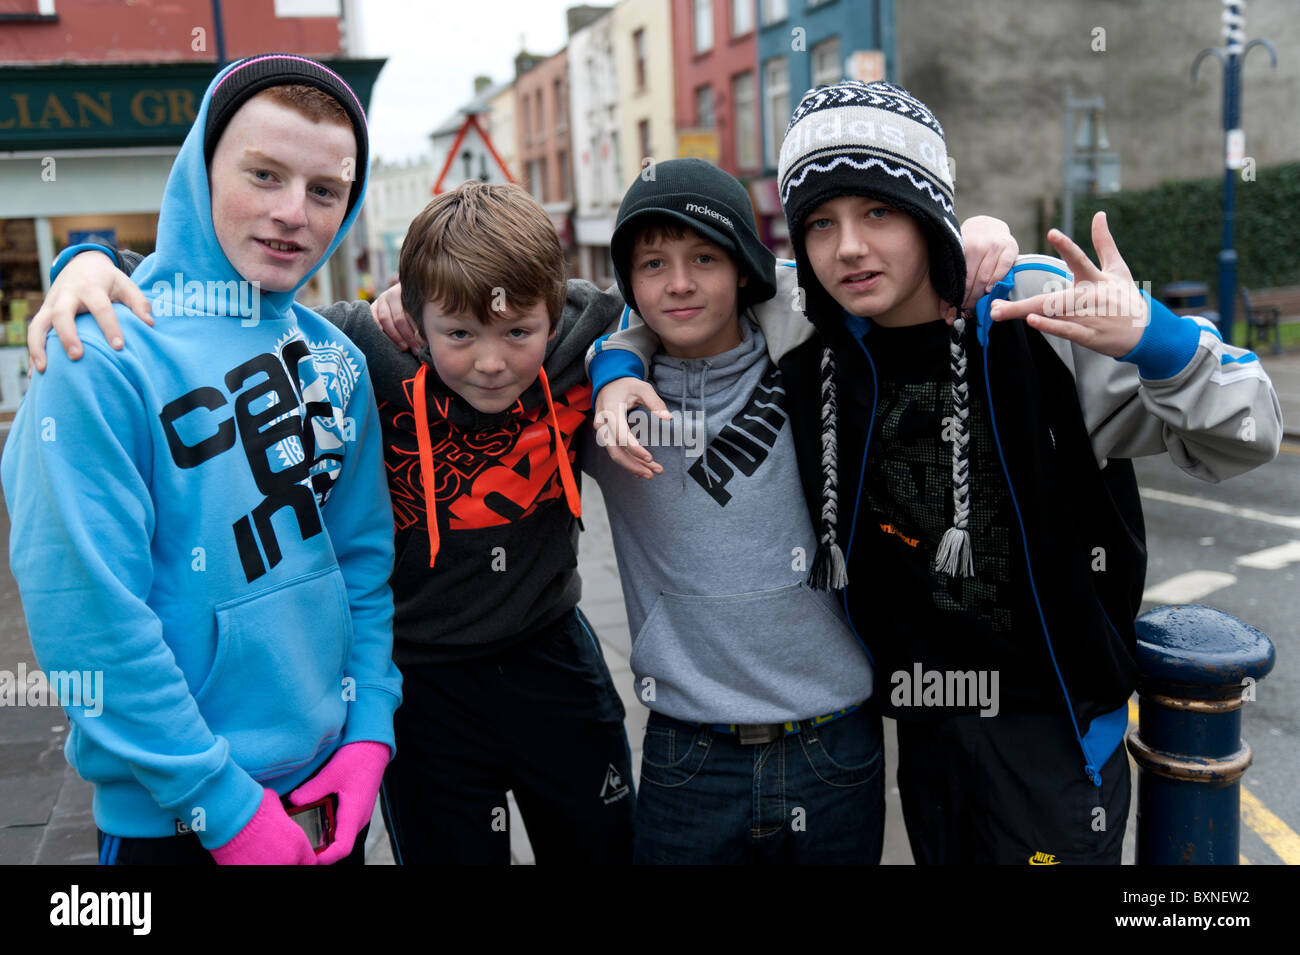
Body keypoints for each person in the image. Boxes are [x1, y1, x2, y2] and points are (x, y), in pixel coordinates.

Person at [591, 80, 1282, 864]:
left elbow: (1246, 430)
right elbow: (673, 288)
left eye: (878, 211)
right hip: (924, 727)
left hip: (1050, 738)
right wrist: (618, 364)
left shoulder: (1037, 313)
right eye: (820, 222)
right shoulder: (813, 329)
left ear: (927, 211)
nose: (847, 246)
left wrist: (1151, 337)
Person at [24, 181, 635, 865]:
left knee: (603, 845)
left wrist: (619, 365)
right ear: (419, 314)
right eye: (459, 333)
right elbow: (212, 301)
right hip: (423, 681)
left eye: (518, 333)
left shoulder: (581, 330)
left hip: (551, 658)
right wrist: (85, 264)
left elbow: (666, 299)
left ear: (553, 315)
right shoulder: (361, 344)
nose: (491, 361)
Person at [2, 53, 402, 865]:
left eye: (325, 191)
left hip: (325, 798)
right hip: (175, 820)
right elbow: (87, 615)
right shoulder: (98, 351)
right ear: (202, 169)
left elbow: (360, 564)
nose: (293, 212)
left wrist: (368, 732)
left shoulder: (336, 360)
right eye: (264, 174)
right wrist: (216, 804)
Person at [584, 158, 1019, 863]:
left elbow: (895, 270)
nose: (682, 282)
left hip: (834, 743)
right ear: (628, 284)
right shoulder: (602, 409)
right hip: (686, 751)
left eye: (704, 257)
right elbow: (512, 318)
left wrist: (979, 231)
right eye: (653, 263)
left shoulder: (817, 352)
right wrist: (613, 366)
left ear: (746, 270)